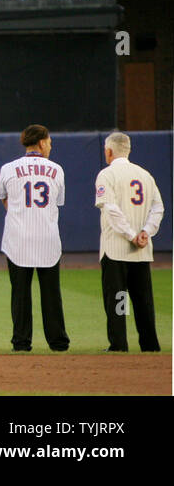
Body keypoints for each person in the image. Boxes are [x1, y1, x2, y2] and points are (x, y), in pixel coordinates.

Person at [0, 125, 69, 352]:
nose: (50, 146)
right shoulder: (56, 169)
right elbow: (57, 202)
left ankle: (21, 342)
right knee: (51, 294)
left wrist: (18, 211)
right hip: (47, 237)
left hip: (18, 238)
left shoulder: (8, 168)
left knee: (20, 294)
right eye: (50, 142)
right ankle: (58, 342)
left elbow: (3, 198)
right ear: (42, 142)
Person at [93, 131, 164, 352]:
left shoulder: (106, 175)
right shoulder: (145, 175)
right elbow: (157, 208)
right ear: (129, 150)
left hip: (116, 249)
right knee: (143, 300)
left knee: (118, 299)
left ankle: (119, 344)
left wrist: (131, 234)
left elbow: (111, 209)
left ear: (109, 151)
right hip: (141, 251)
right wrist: (145, 232)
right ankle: (150, 345)